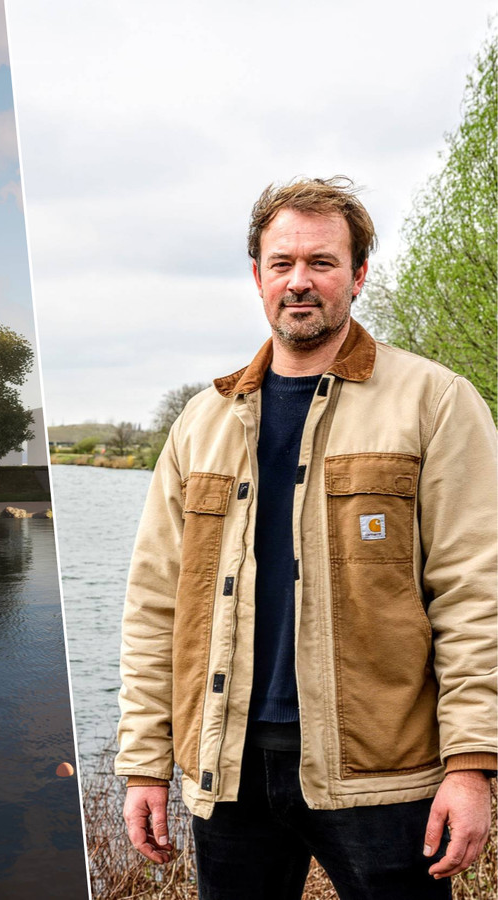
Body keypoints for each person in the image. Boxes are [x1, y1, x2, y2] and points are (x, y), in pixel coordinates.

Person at [115, 177, 496, 899]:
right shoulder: (202, 422)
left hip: (386, 777)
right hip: (226, 774)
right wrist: (144, 764)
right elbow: (154, 605)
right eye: (282, 262)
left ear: (357, 276)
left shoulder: (435, 402)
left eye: (322, 262)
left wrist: (472, 763)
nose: (300, 281)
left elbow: (476, 593)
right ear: (256, 277)